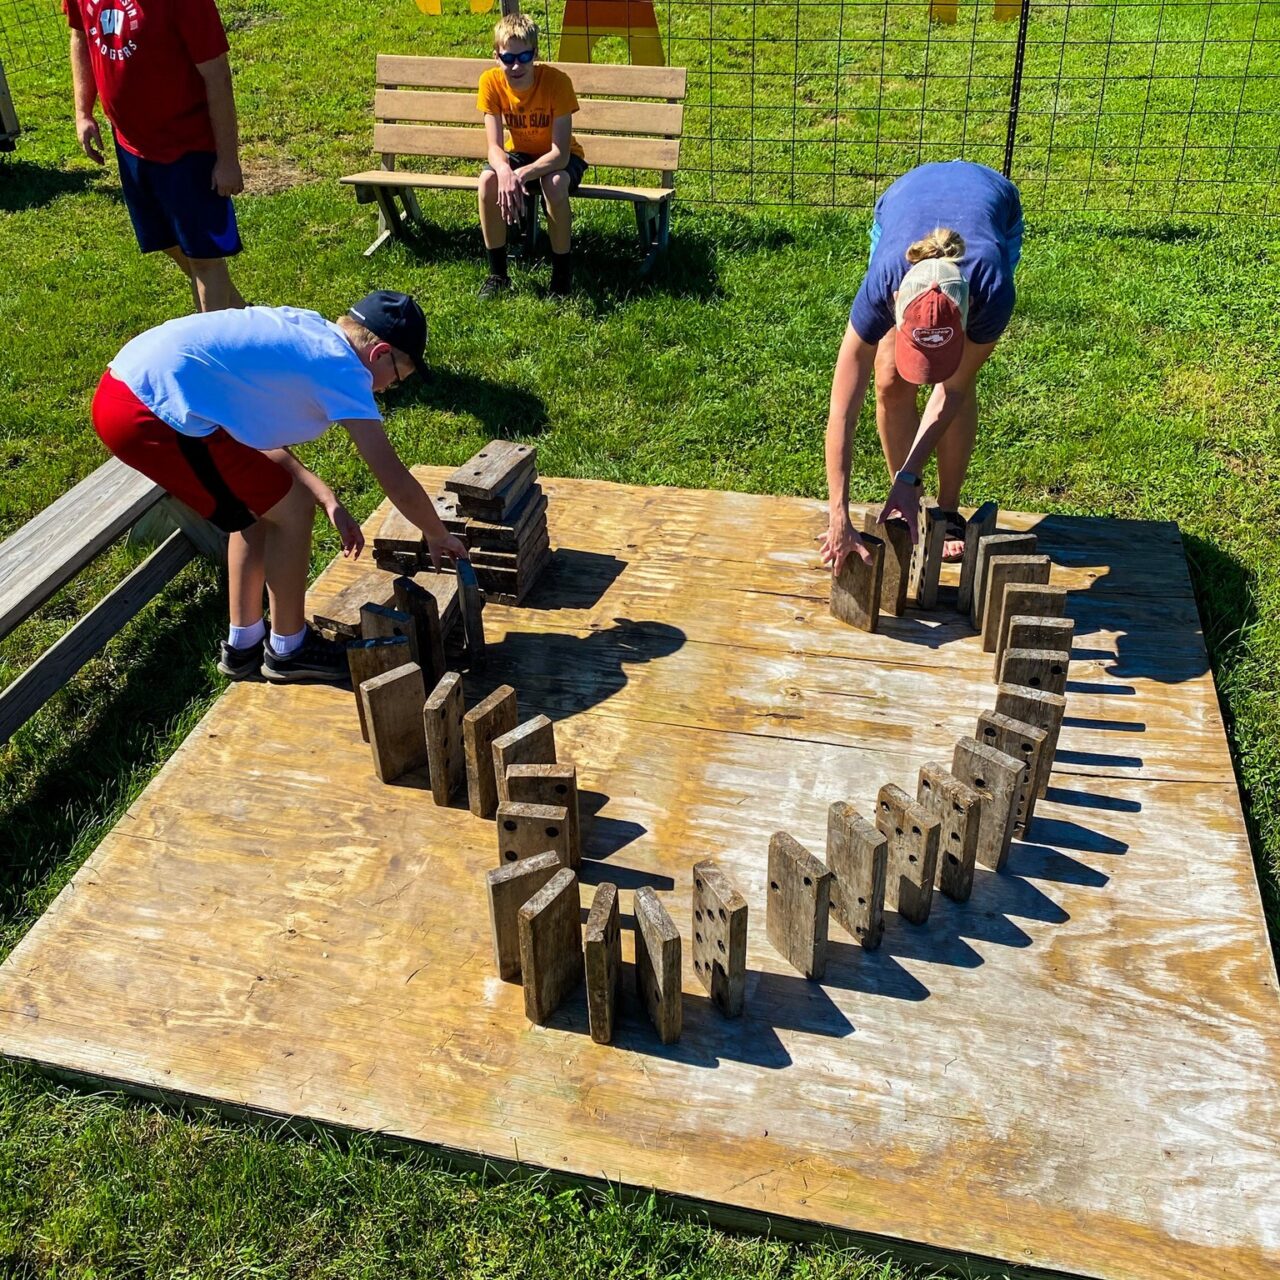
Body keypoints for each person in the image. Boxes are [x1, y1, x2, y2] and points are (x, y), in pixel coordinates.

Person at [91, 291, 470, 683]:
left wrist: (325, 495)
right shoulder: (344, 370)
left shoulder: (308, 332)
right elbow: (393, 476)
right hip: (150, 413)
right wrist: (436, 533)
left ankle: (243, 646)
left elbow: (252, 437)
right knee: (291, 508)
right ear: (380, 353)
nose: (388, 389)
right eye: (398, 378)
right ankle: (290, 649)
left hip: (131, 390)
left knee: (260, 505)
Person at [820, 160, 1023, 574]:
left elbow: (952, 388)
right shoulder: (882, 285)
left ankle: (946, 510)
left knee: (956, 379)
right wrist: (837, 514)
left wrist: (913, 473)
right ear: (895, 304)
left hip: (990, 204)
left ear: (969, 310)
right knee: (889, 381)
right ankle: (904, 501)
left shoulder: (992, 289)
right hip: (906, 199)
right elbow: (842, 410)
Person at [65, 0, 246, 312]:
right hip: (130, 143)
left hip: (188, 147)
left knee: (205, 259)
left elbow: (217, 75)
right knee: (169, 243)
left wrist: (227, 160)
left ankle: (217, 341)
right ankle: (243, 317)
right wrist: (83, 112)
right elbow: (80, 34)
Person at [476, 13, 587, 299]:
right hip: (519, 153)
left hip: (560, 158)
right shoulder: (490, 82)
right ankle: (498, 275)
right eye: (508, 58)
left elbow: (560, 155)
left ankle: (561, 278)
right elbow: (494, 147)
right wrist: (504, 172)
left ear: (535, 54)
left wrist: (519, 175)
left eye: (524, 57)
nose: (516, 65)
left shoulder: (557, 82)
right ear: (496, 56)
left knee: (554, 183)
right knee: (487, 181)